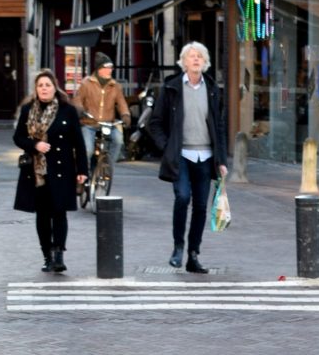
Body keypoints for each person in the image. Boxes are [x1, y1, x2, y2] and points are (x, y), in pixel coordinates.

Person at [145, 41, 229, 274]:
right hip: (181, 154)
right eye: (191, 56)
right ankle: (178, 247)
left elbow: (219, 126)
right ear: (183, 62)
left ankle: (194, 254)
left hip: (205, 156)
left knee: (201, 206)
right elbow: (155, 123)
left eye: (199, 56)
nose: (195, 60)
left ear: (205, 62)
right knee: (182, 197)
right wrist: (168, 147)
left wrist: (221, 160)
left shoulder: (212, 89)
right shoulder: (171, 87)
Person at [12, 69, 86, 274]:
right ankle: (47, 256)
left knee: (59, 212)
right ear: (36, 90)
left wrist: (82, 169)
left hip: (62, 169)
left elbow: (78, 142)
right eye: (40, 85)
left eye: (47, 85)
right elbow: (18, 137)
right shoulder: (28, 110)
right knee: (43, 216)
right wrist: (35, 144)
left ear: (55, 88)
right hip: (36, 173)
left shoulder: (67, 110)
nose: (44, 89)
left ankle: (59, 254)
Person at [74, 52, 129, 173]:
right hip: (90, 123)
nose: (110, 70)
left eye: (111, 67)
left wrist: (125, 115)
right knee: (87, 150)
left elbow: (122, 103)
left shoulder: (115, 86)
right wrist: (80, 110)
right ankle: (82, 175)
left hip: (108, 124)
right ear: (99, 69)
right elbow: (78, 100)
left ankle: (108, 166)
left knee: (118, 140)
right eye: (107, 67)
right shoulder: (86, 83)